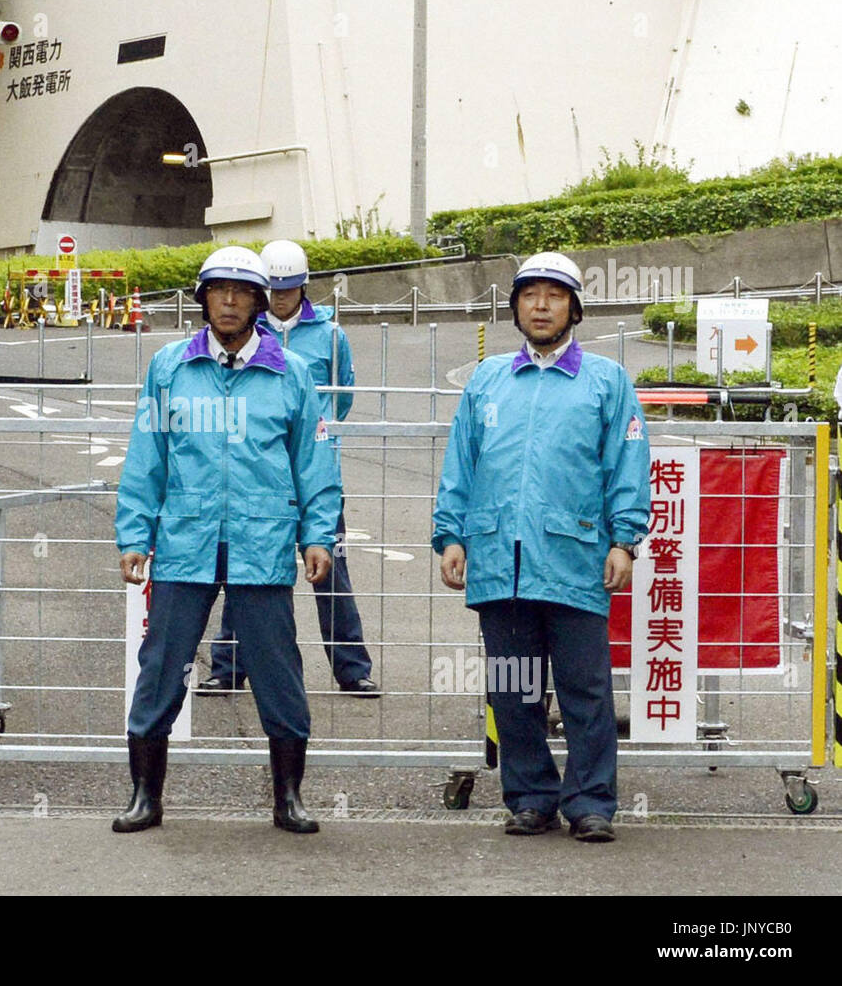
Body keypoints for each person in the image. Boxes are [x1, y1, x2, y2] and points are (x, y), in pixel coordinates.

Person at [113, 245, 341, 834]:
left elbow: (315, 463)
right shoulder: (169, 366)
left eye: (242, 292)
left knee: (277, 668)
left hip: (262, 544)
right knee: (161, 665)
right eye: (219, 290)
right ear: (203, 298)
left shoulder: (290, 373)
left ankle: (288, 796)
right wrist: (135, 534)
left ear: (261, 301)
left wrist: (317, 535)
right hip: (184, 544)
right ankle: (145, 795)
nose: (230, 301)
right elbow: (148, 458)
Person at [431, 251, 650, 843]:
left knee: (585, 690)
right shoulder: (488, 379)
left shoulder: (605, 381)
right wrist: (451, 534)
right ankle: (530, 796)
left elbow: (627, 465)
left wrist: (624, 539)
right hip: (499, 559)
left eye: (555, 296)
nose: (542, 306)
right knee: (514, 687)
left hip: (576, 559)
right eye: (531, 295)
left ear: (575, 308)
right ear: (516, 307)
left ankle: (590, 802)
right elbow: (461, 463)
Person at [198, 239, 379, 698]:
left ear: (303, 286)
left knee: (331, 567)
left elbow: (344, 396)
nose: (280, 298)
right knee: (247, 566)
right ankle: (228, 665)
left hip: (314, 467)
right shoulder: (245, 330)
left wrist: (316, 438)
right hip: (258, 471)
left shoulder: (331, 335)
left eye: (289, 288)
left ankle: (352, 668)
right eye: (273, 289)